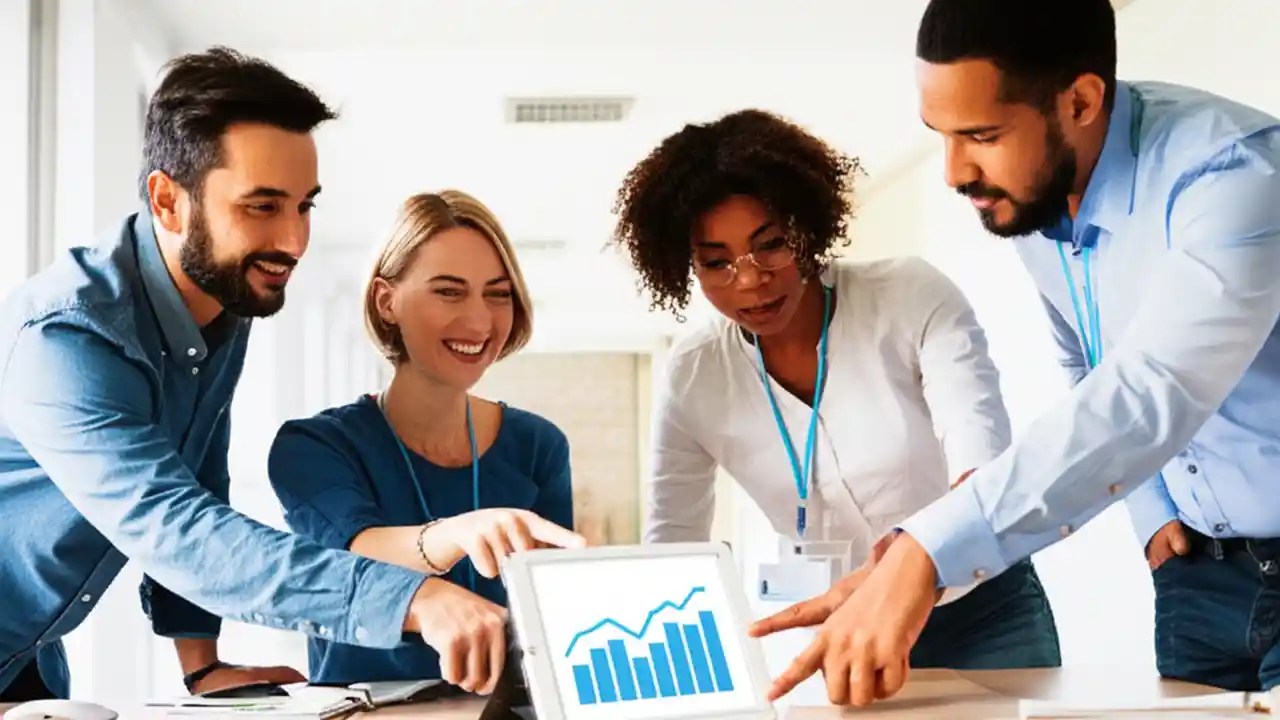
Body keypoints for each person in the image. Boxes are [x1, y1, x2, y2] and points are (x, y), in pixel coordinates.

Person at [755, 0, 1280, 706]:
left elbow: (1154, 388)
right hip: (1196, 576)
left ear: (1081, 101)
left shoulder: (1238, 180)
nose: (953, 171)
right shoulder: (1033, 202)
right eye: (940, 134)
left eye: (981, 134)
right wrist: (1152, 509)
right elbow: (1090, 364)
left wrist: (928, 553)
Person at [0, 48, 454, 701]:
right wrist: (415, 599)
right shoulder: (69, 337)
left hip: (27, 655)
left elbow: (196, 477)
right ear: (168, 200)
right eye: (263, 206)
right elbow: (172, 527)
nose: (294, 241)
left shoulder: (218, 302)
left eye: (304, 206)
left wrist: (202, 662)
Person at [610, 108, 1061, 694]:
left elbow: (984, 467)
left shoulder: (907, 297)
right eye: (716, 262)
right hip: (836, 625)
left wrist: (909, 574)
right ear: (684, 266)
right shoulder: (696, 374)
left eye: (770, 245)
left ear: (807, 228)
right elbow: (673, 545)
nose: (749, 281)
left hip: (982, 609)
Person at [268, 190, 584, 691]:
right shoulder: (315, 446)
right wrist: (455, 534)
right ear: (386, 301)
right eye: (449, 292)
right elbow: (350, 555)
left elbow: (550, 611)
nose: (480, 321)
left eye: (497, 293)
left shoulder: (538, 445)